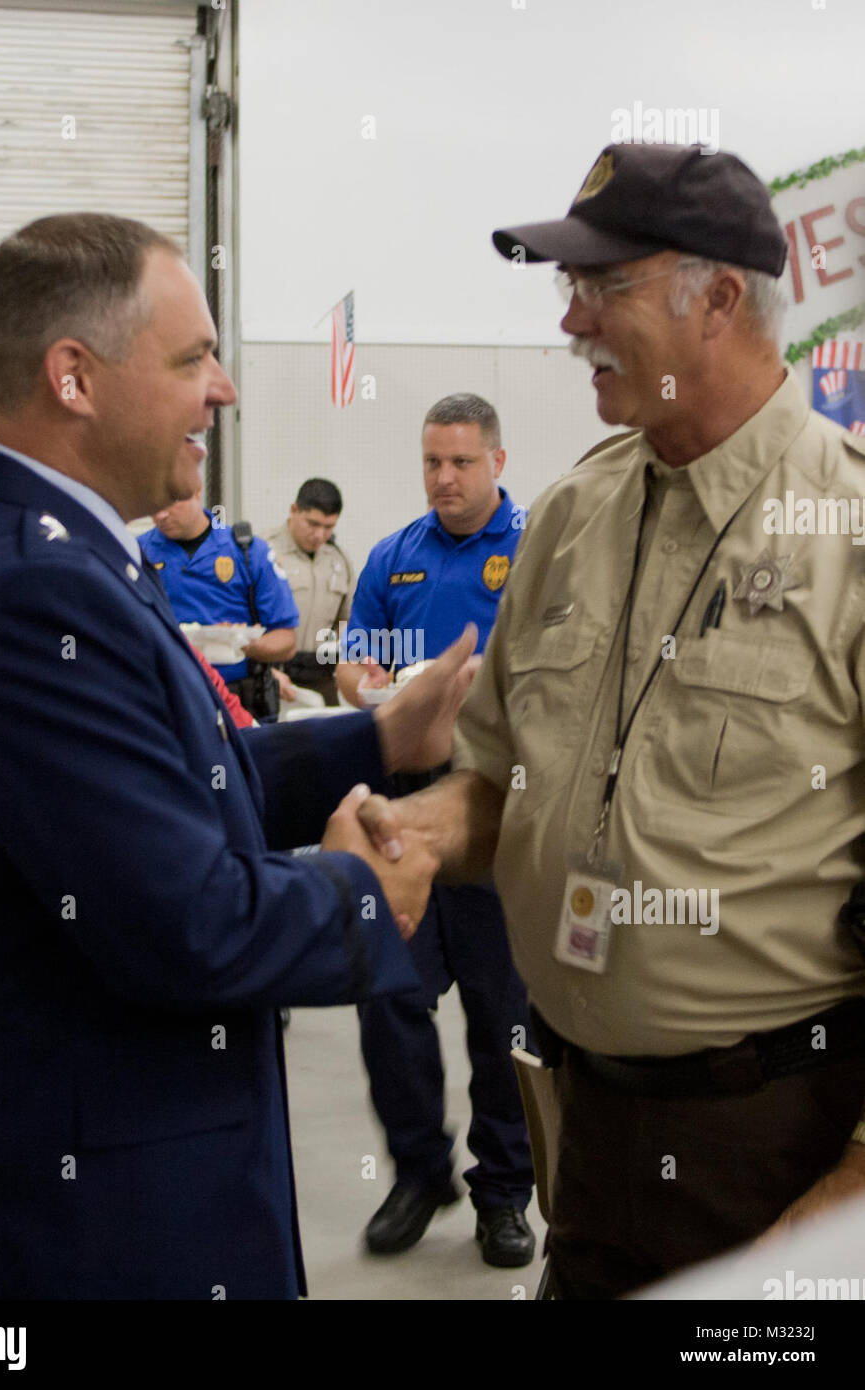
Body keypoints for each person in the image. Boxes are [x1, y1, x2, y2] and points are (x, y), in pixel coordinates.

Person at [0, 212, 480, 1300]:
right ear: (74, 377)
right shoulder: (29, 590)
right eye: (194, 358)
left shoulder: (31, 541)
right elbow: (184, 920)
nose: (225, 390)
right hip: (99, 1233)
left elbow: (177, 781)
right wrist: (361, 888)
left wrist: (382, 737)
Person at [355, 143, 865, 1299]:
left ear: (723, 297)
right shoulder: (576, 514)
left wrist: (849, 1192)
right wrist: (424, 834)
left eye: (605, 286)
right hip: (586, 1136)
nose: (572, 318)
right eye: (565, 288)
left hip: (779, 1158)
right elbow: (501, 776)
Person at [336, 393, 535, 1267]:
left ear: (497, 460)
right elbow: (351, 663)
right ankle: (420, 1172)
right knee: (390, 997)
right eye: (430, 462)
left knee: (504, 1018)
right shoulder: (391, 555)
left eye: (460, 461)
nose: (443, 478)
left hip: (500, 812)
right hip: (406, 812)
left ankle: (504, 1194)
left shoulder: (537, 550)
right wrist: (360, 678)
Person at [139, 486, 299, 716]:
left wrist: (240, 643)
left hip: (239, 699)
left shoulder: (248, 551)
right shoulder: (138, 553)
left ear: (196, 491)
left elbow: (286, 642)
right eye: (154, 505)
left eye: (171, 502)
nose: (161, 515)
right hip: (166, 697)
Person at [265, 478, 354, 706]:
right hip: (273, 673)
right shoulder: (263, 552)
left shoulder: (338, 559)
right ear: (294, 510)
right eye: (312, 524)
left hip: (321, 673)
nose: (319, 535)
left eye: (328, 527)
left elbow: (346, 620)